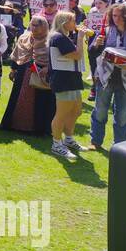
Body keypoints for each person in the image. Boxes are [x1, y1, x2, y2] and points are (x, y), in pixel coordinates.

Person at [87, 3, 126, 150]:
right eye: (114, 16)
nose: (117, 19)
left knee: (123, 114)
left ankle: (119, 145)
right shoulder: (105, 32)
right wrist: (96, 45)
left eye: (120, 16)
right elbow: (92, 53)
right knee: (100, 110)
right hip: (105, 77)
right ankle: (96, 141)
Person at [47, 12, 86, 160]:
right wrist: (81, 38)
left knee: (76, 110)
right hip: (63, 80)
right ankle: (57, 144)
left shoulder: (63, 37)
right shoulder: (58, 38)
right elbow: (77, 55)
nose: (76, 23)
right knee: (62, 114)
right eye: (73, 21)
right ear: (64, 23)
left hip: (72, 78)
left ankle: (68, 139)